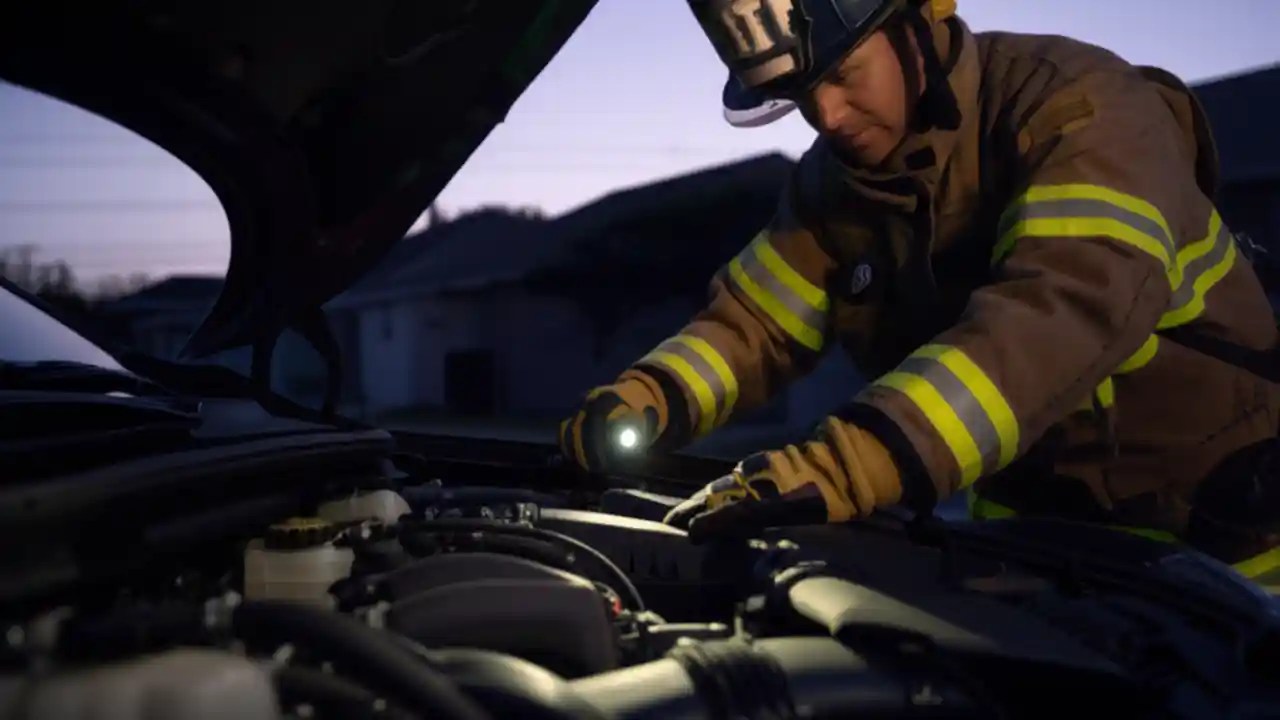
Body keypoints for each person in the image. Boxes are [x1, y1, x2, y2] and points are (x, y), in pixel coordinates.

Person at [560, 0, 1280, 580]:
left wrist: (848, 466)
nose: (828, 118)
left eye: (842, 73)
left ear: (919, 17)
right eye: (796, 95)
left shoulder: (1080, 106)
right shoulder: (830, 187)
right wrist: (648, 400)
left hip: (1233, 552)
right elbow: (755, 325)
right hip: (1037, 556)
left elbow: (1060, 317)